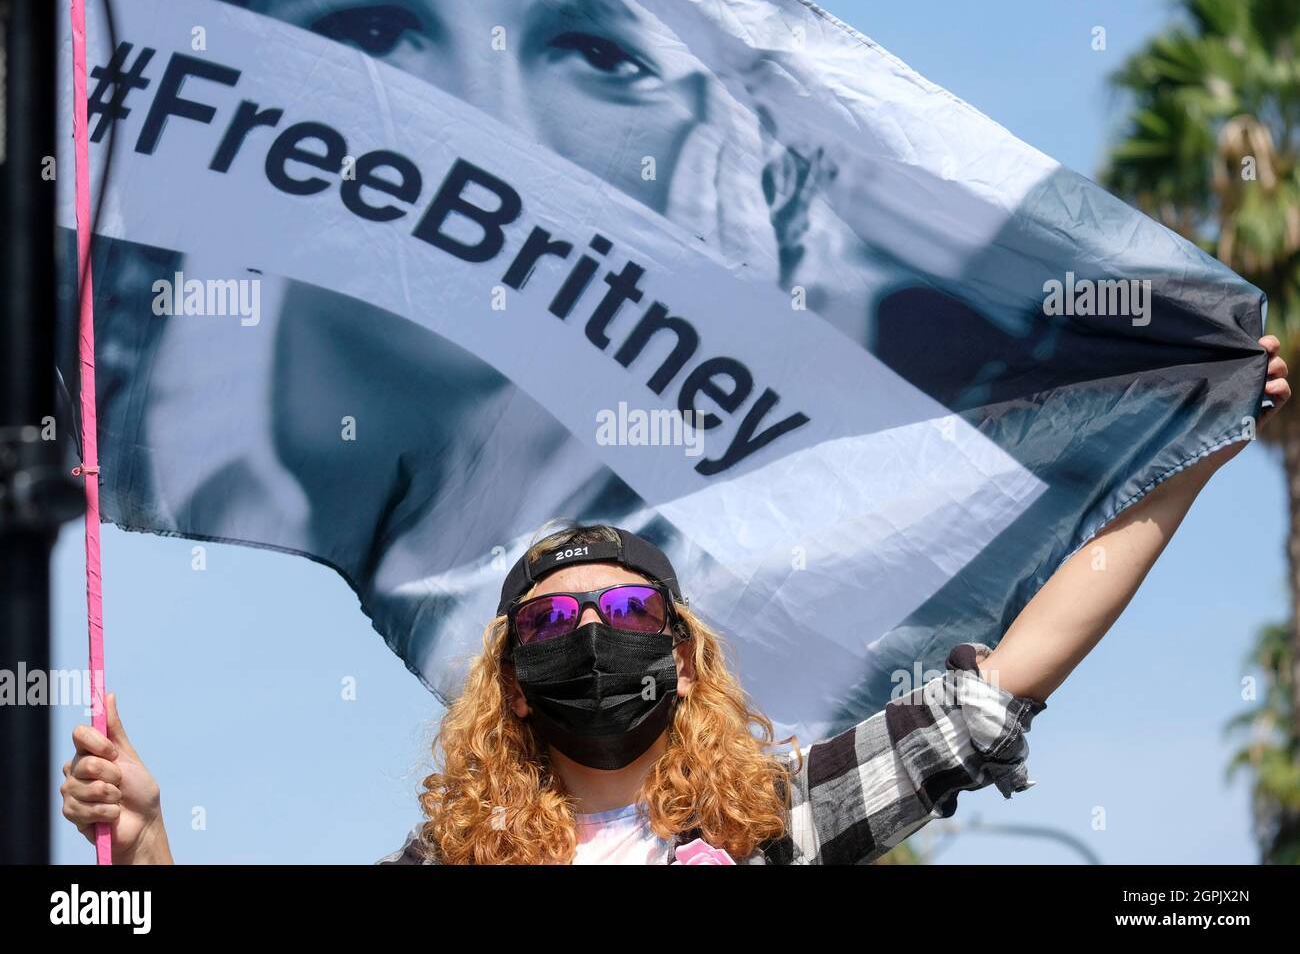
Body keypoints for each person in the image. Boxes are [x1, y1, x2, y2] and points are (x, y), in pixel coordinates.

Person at [58, 337, 1291, 864]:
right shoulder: (457, 858)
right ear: (505, 674)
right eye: (549, 622)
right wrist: (153, 837)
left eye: (624, 614)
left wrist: (1194, 453)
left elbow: (1006, 682)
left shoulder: (780, 821)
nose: (589, 635)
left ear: (687, 659)